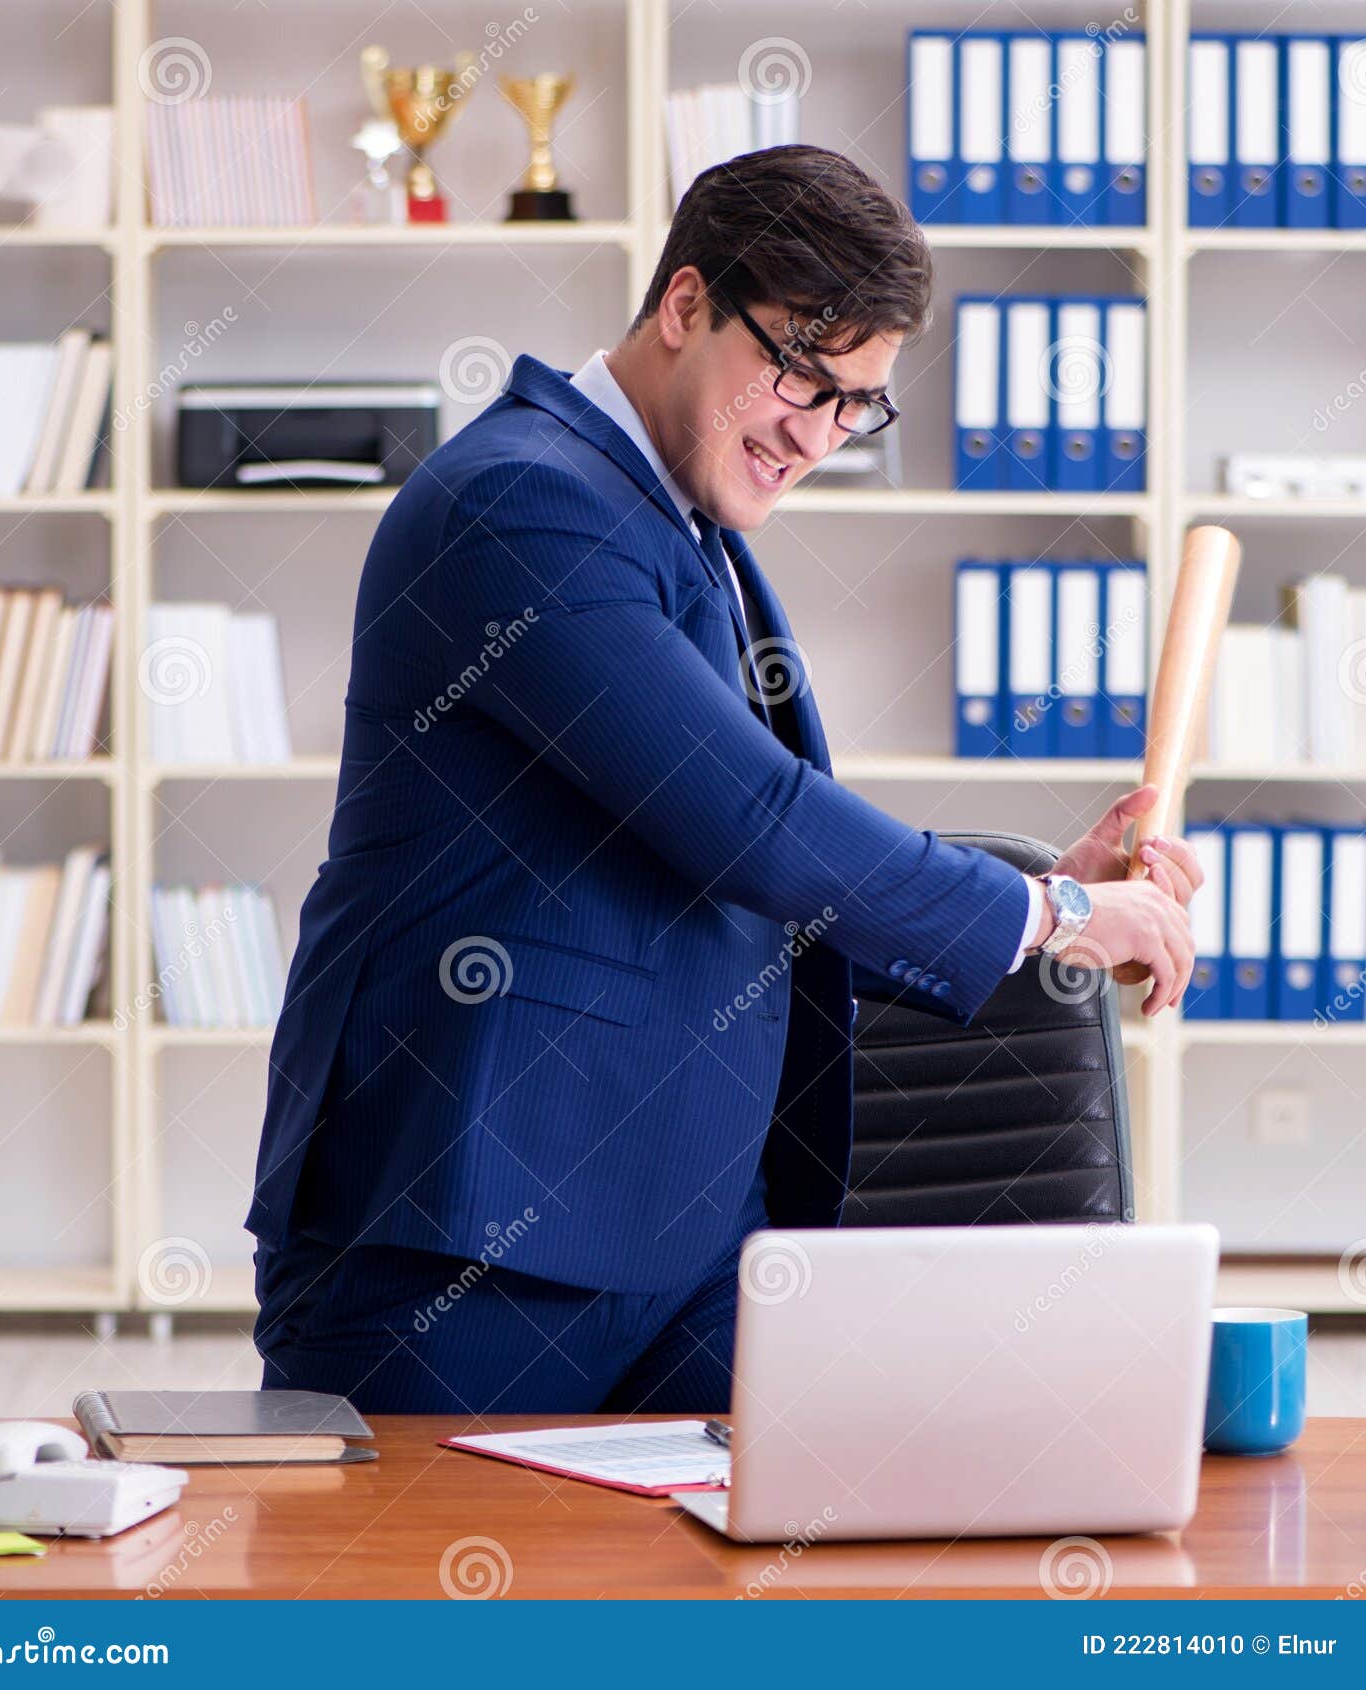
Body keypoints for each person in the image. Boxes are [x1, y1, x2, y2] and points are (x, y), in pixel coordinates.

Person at [247, 145, 1199, 1414]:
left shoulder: (684, 515)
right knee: (439, 1609)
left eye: (854, 402)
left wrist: (1040, 891)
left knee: (735, 1597)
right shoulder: (518, 504)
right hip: (465, 1227)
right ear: (685, 305)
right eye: (799, 376)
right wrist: (1056, 917)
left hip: (693, 1233)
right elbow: (753, 820)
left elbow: (736, 879)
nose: (814, 435)